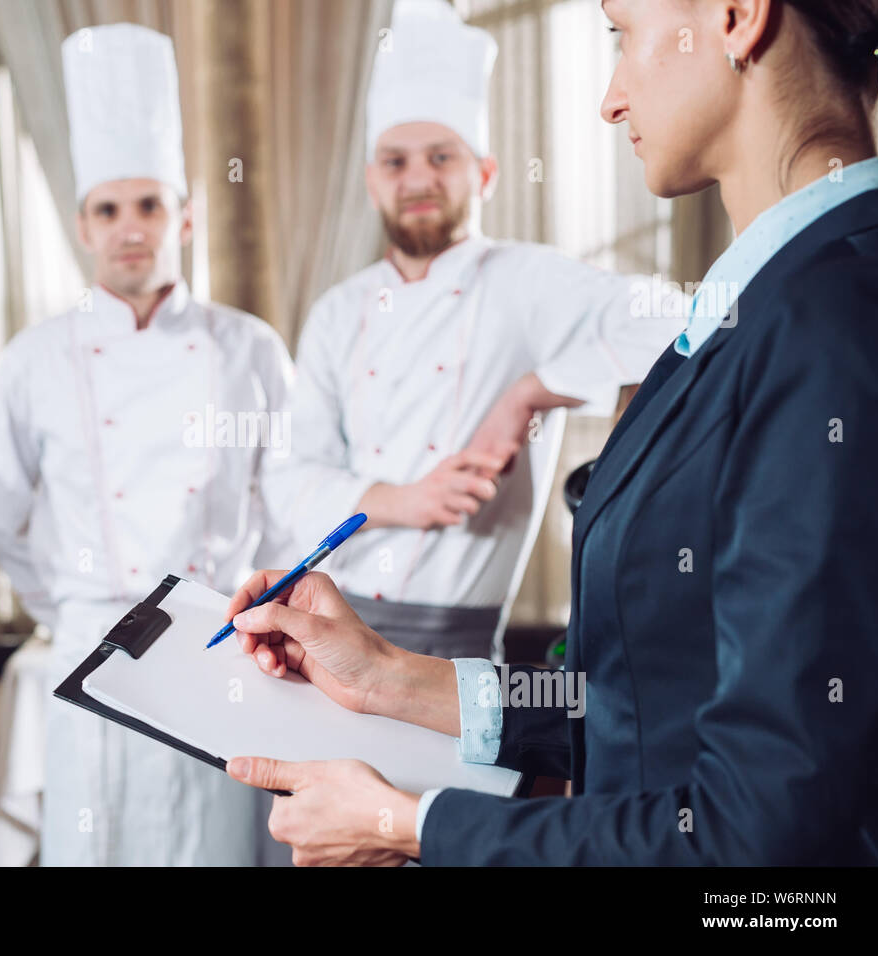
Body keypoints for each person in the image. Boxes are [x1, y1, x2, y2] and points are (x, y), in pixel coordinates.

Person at [223, 0, 878, 865]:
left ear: (734, 17)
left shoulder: (825, 322)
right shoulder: (761, 309)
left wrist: (403, 824)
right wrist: (388, 674)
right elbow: (634, 702)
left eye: (624, 34)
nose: (610, 99)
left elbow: (754, 838)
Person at [264, 0, 687, 663]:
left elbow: (680, 319)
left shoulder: (527, 281)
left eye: (441, 156)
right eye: (395, 162)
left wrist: (530, 392)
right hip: (328, 629)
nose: (418, 180)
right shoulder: (337, 311)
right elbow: (289, 482)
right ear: (373, 183)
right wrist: (404, 500)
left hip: (455, 653)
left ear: (484, 174)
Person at [0, 23, 294, 866]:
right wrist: (70, 604)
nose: (130, 228)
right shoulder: (34, 358)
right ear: (82, 225)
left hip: (215, 650)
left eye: (149, 205)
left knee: (214, 846)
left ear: (183, 217)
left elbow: (291, 504)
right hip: (92, 652)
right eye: (109, 210)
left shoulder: (251, 347)